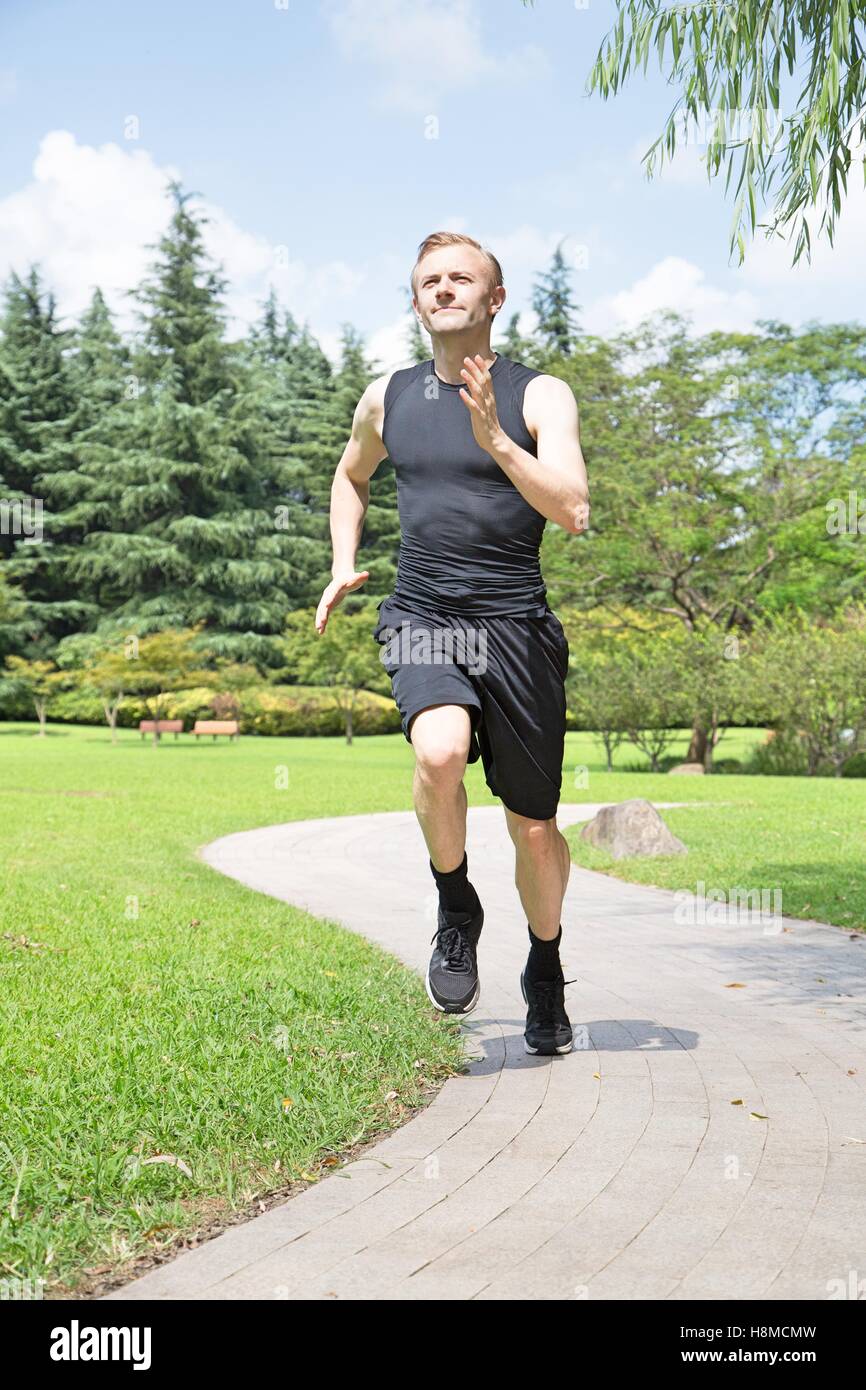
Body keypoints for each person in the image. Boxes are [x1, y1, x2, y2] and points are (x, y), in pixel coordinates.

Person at [315, 231, 589, 1056]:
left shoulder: (540, 395)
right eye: (428, 280)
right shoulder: (386, 397)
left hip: (518, 629)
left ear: (493, 299)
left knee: (534, 828)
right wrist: (343, 561)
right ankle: (455, 905)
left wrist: (498, 442)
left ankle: (545, 966)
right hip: (425, 615)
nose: (442, 289)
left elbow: (573, 509)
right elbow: (349, 476)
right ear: (415, 301)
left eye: (460, 278)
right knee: (438, 751)